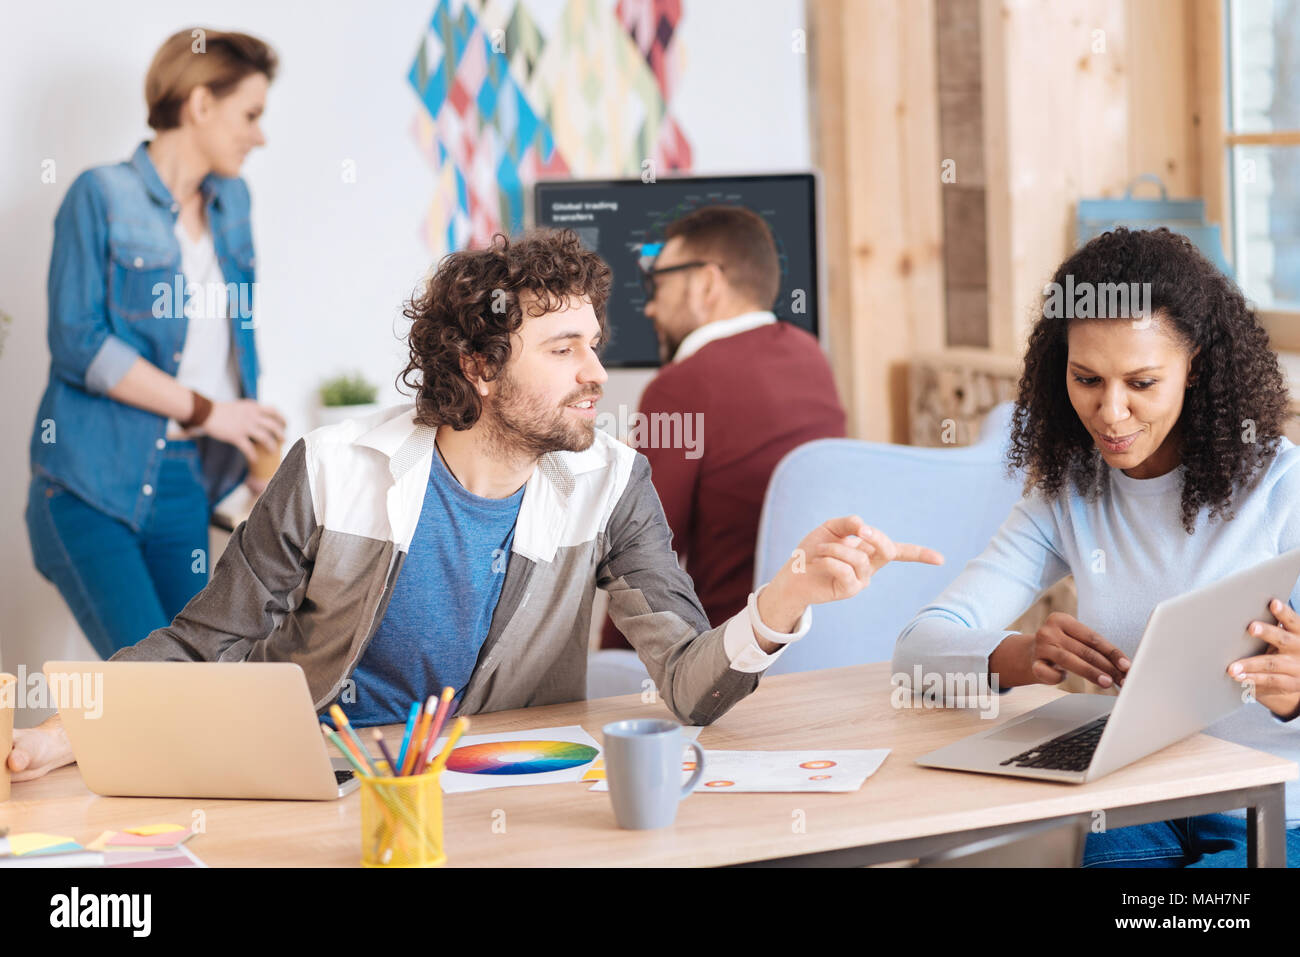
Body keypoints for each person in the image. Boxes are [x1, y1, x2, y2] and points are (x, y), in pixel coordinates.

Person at [9, 228, 941, 781]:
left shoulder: (613, 483)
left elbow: (692, 688)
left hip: (514, 791)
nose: (594, 375)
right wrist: (68, 727)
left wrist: (783, 600)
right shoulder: (334, 468)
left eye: (595, 343)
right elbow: (206, 641)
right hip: (339, 783)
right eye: (564, 348)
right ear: (481, 366)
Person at [893, 227, 1300, 867]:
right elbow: (917, 650)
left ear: (1196, 370)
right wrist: (1020, 656)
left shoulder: (1282, 490)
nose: (1111, 413)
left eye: (1142, 383)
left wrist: (1296, 694)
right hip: (1143, 798)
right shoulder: (1070, 492)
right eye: (1087, 379)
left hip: (1277, 806)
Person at [25, 28, 286, 660]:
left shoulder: (233, 202)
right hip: (92, 485)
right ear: (200, 104)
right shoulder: (102, 194)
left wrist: (254, 448)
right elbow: (79, 343)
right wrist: (208, 412)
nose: (260, 135)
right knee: (153, 688)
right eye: (249, 114)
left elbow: (232, 341)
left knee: (203, 675)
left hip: (183, 481)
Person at [600, 205, 845, 655]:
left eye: (658, 283)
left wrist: (612, 671)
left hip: (723, 658)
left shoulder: (681, 384)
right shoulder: (810, 357)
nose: (651, 306)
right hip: (817, 644)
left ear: (706, 283)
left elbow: (641, 559)